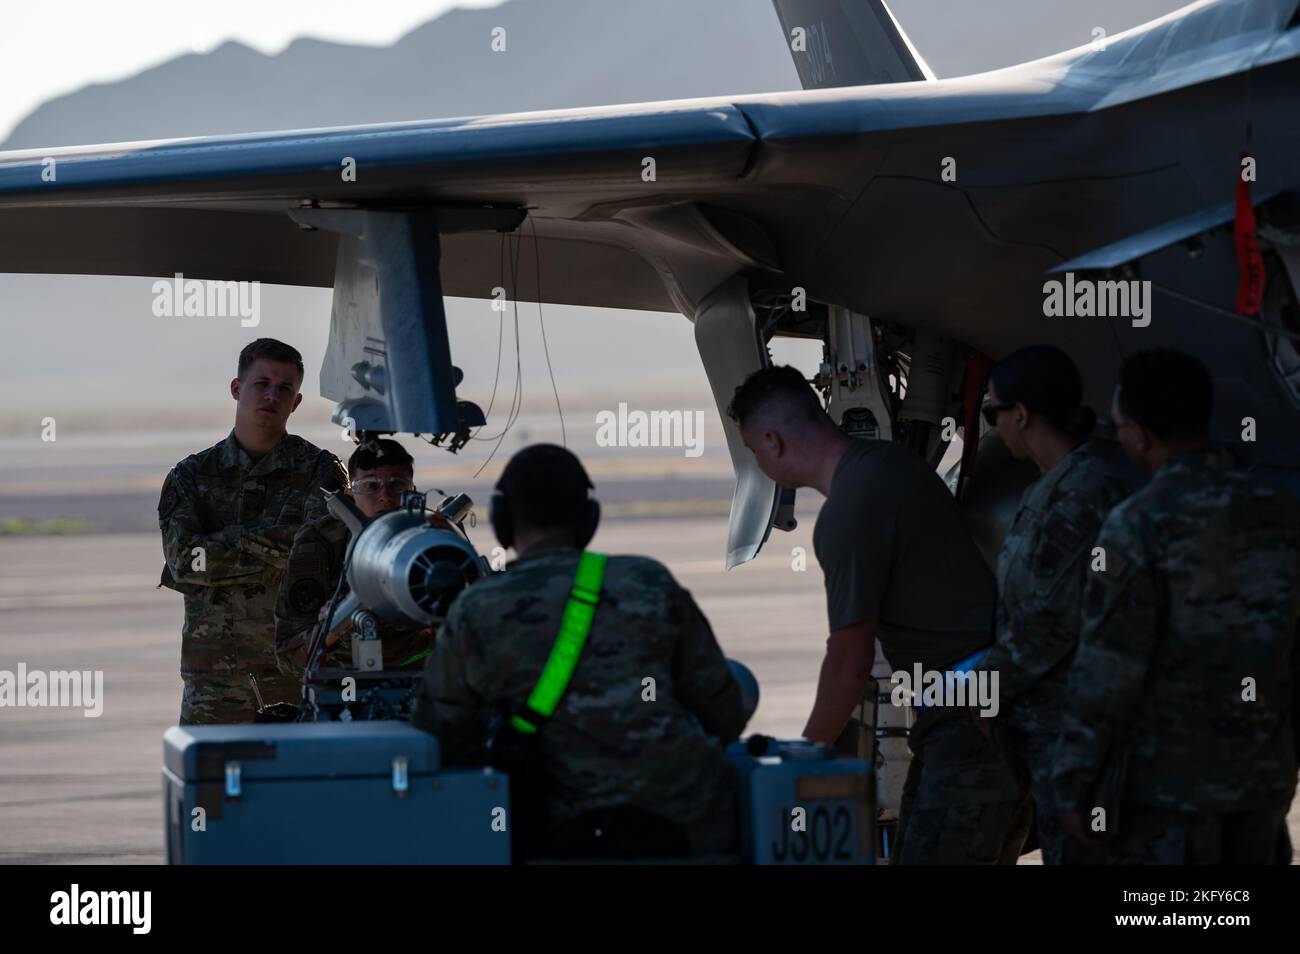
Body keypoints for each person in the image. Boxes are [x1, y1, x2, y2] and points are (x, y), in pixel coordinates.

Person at [728, 365, 1026, 864]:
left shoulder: (847, 513)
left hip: (968, 722)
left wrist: (804, 758)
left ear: (773, 441)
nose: (758, 463)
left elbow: (849, 660)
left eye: (754, 451)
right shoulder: (891, 464)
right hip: (990, 710)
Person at [411, 444, 745, 859]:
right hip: (687, 824)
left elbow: (442, 739)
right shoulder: (648, 581)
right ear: (589, 520)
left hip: (557, 832)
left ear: (502, 523)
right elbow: (725, 713)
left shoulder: (476, 609)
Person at [1054, 349, 1300, 864]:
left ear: (1140, 435)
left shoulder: (1136, 525)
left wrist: (1076, 784)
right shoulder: (1280, 511)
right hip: (1261, 785)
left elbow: (1105, 673)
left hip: (1170, 799)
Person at [977, 345, 1129, 864]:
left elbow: (1051, 619)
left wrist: (986, 685)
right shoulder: (1053, 485)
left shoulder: (1084, 489)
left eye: (990, 412)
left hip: (1080, 737)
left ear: (1020, 415)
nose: (991, 426)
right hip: (1052, 735)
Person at [158, 338, 347, 724]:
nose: (271, 396)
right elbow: (186, 563)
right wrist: (277, 546)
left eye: (284, 389)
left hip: (294, 679)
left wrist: (224, 544)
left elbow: (317, 558)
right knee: (209, 784)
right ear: (237, 388)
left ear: (295, 402)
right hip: (214, 684)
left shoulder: (320, 472)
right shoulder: (191, 477)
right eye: (261, 384)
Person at [275, 438, 436, 670]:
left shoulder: (437, 535)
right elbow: (290, 656)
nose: (385, 497)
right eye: (371, 486)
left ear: (412, 492)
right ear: (350, 493)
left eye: (396, 486)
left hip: (424, 674)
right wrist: (334, 626)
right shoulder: (321, 541)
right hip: (345, 679)